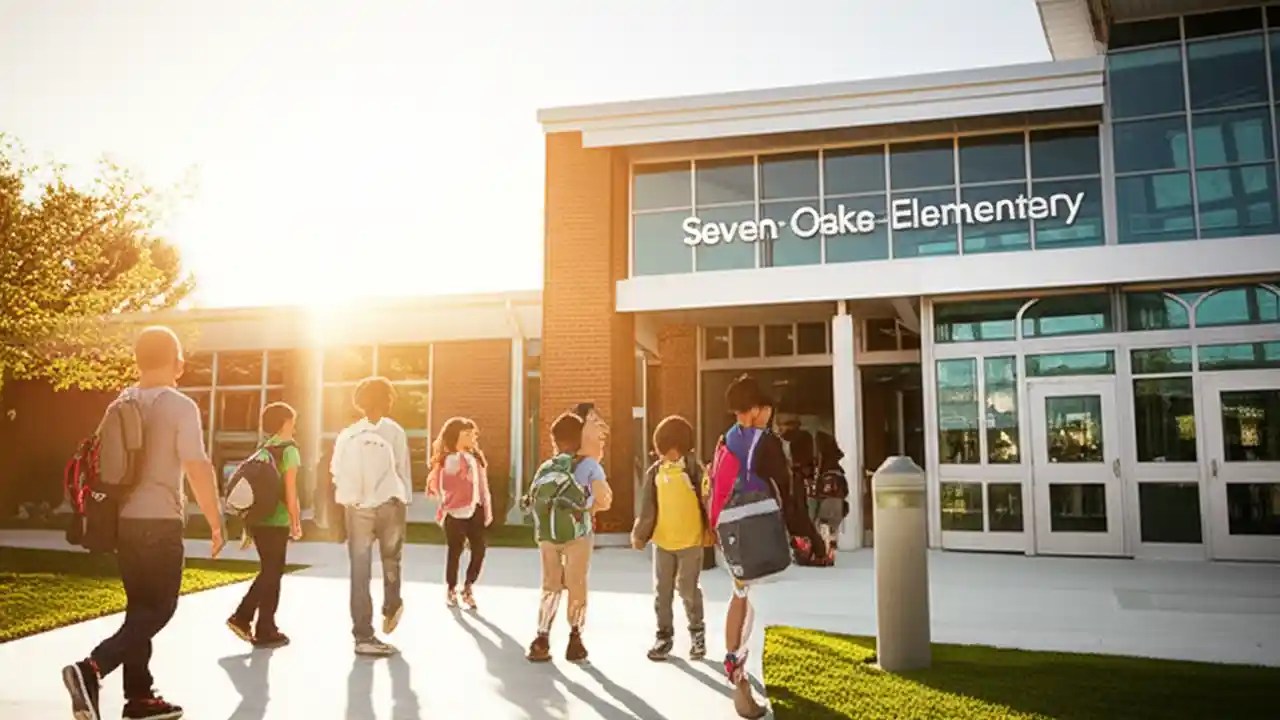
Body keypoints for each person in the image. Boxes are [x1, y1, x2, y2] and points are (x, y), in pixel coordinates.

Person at [62, 326, 226, 720]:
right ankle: (90, 668)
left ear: (137, 362)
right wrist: (216, 522)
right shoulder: (180, 405)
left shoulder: (119, 402)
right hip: (161, 521)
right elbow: (197, 465)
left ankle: (140, 696)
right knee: (161, 608)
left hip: (125, 524)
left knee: (139, 612)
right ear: (178, 363)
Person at [706, 374, 826, 719]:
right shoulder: (766, 442)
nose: (770, 414)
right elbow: (789, 497)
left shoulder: (726, 440)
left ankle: (735, 663)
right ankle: (739, 669)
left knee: (741, 594)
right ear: (758, 409)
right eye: (768, 408)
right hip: (759, 533)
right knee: (758, 605)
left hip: (731, 530)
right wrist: (811, 538)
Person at [330, 376, 412, 657]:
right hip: (390, 503)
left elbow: (336, 471)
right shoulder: (395, 431)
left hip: (357, 509)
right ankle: (391, 605)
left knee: (360, 571)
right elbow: (401, 470)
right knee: (392, 560)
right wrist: (405, 501)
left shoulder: (348, 434)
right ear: (387, 400)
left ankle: (362, 635)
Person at [525, 407, 612, 663]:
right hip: (578, 533)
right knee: (576, 584)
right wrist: (590, 505)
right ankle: (575, 638)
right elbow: (605, 499)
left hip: (547, 535)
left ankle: (542, 637)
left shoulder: (546, 467)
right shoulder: (589, 466)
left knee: (550, 584)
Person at [631, 414, 709, 662]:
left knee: (687, 588)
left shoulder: (694, 470)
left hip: (691, 541)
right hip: (663, 541)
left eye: (669, 451)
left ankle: (697, 632)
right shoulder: (655, 472)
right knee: (662, 592)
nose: (664, 455)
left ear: (682, 449)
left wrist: (711, 531)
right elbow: (647, 507)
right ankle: (664, 635)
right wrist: (640, 534)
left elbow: (707, 502)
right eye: (661, 451)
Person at [226, 402, 303, 648]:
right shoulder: (290, 451)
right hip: (277, 519)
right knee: (272, 573)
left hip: (259, 519)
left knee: (269, 572)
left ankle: (261, 624)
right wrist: (295, 521)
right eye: (292, 421)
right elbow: (291, 491)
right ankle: (251, 621)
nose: (295, 426)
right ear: (285, 423)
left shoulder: (262, 450)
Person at [426, 416, 493, 610]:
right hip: (455, 511)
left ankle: (468, 586)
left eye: (473, 434)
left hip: (476, 510)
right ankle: (451, 588)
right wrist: (460, 470)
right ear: (456, 436)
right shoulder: (450, 459)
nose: (472, 437)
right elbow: (446, 484)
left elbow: (483, 487)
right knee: (455, 551)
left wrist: (486, 509)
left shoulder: (476, 458)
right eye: (467, 434)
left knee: (479, 549)